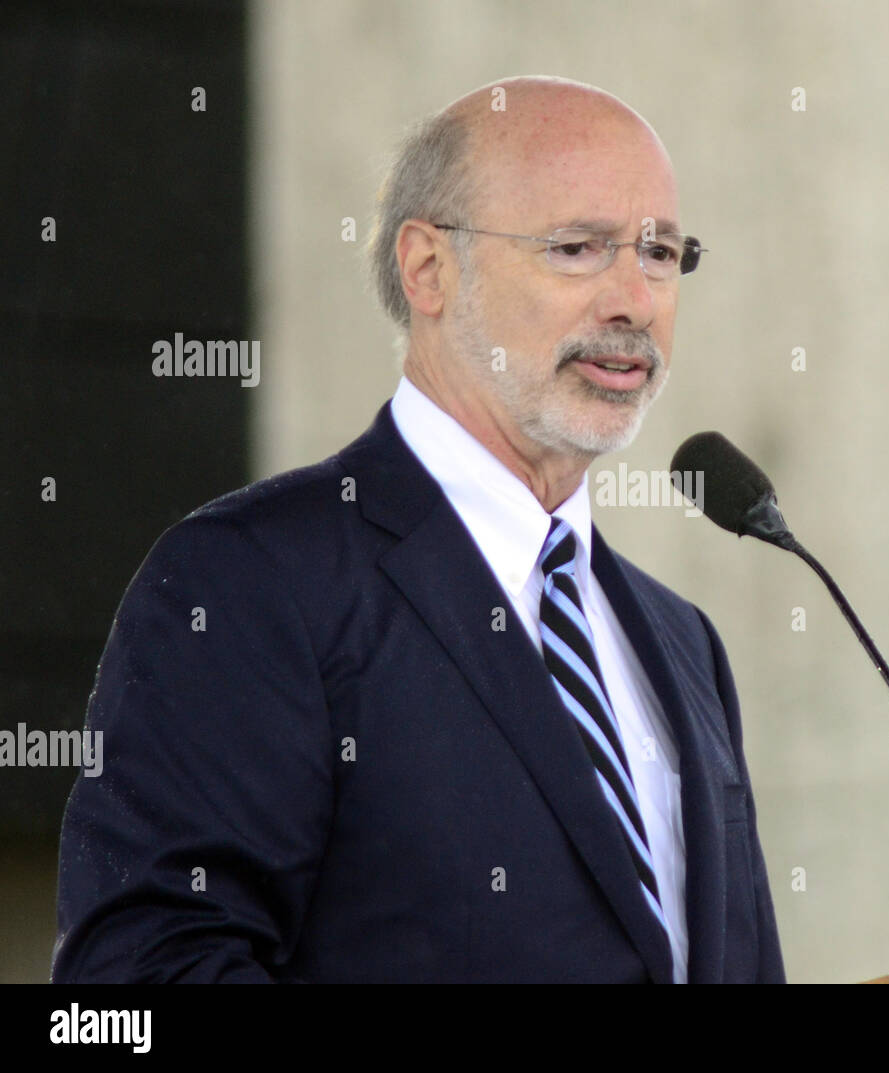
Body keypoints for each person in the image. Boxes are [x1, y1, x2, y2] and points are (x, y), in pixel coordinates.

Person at [51, 76, 784, 984]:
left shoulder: (683, 644)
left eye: (662, 252)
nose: (635, 299)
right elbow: (137, 983)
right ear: (428, 268)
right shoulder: (249, 583)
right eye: (578, 248)